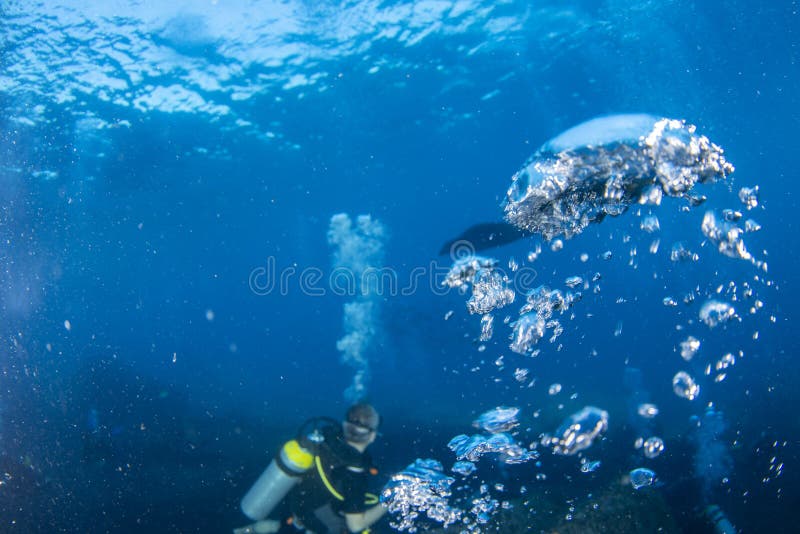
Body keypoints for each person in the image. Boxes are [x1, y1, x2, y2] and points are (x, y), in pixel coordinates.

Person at [235, 403, 388, 534]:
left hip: (298, 509)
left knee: (290, 525)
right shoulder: (354, 475)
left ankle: (257, 529)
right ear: (372, 436)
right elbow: (356, 525)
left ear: (344, 426)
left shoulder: (325, 441)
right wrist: (389, 501)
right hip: (318, 523)